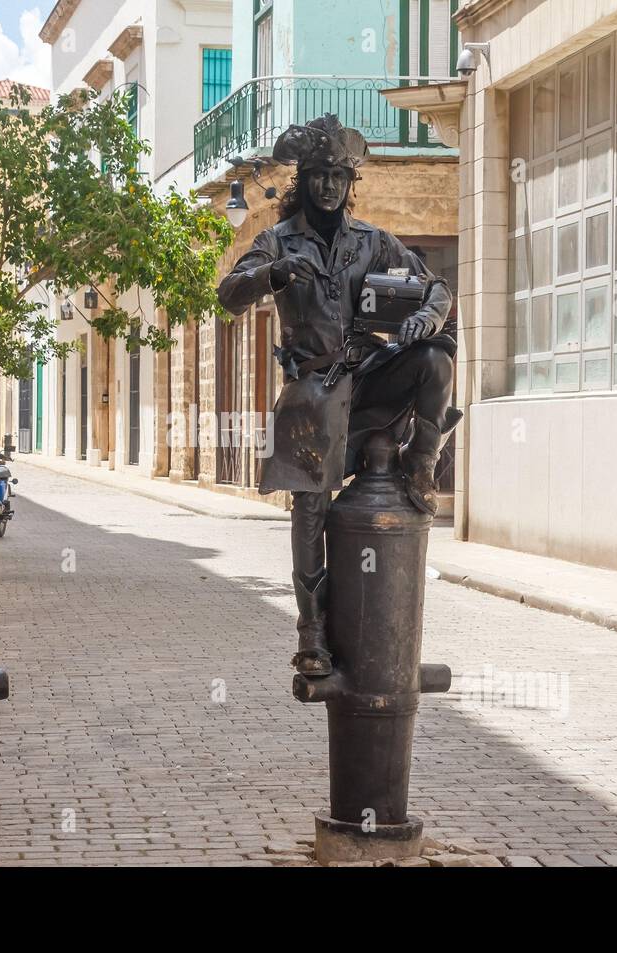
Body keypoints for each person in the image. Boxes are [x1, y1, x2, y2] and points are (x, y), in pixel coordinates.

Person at [217, 114, 460, 678]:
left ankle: (421, 465)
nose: (329, 185)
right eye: (319, 175)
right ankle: (312, 632)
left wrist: (426, 315)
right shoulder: (278, 239)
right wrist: (275, 273)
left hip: (369, 376)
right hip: (313, 393)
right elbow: (230, 294)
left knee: (434, 358)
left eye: (339, 176)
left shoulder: (372, 242)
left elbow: (435, 285)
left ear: (351, 184)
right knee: (310, 510)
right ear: (304, 181)